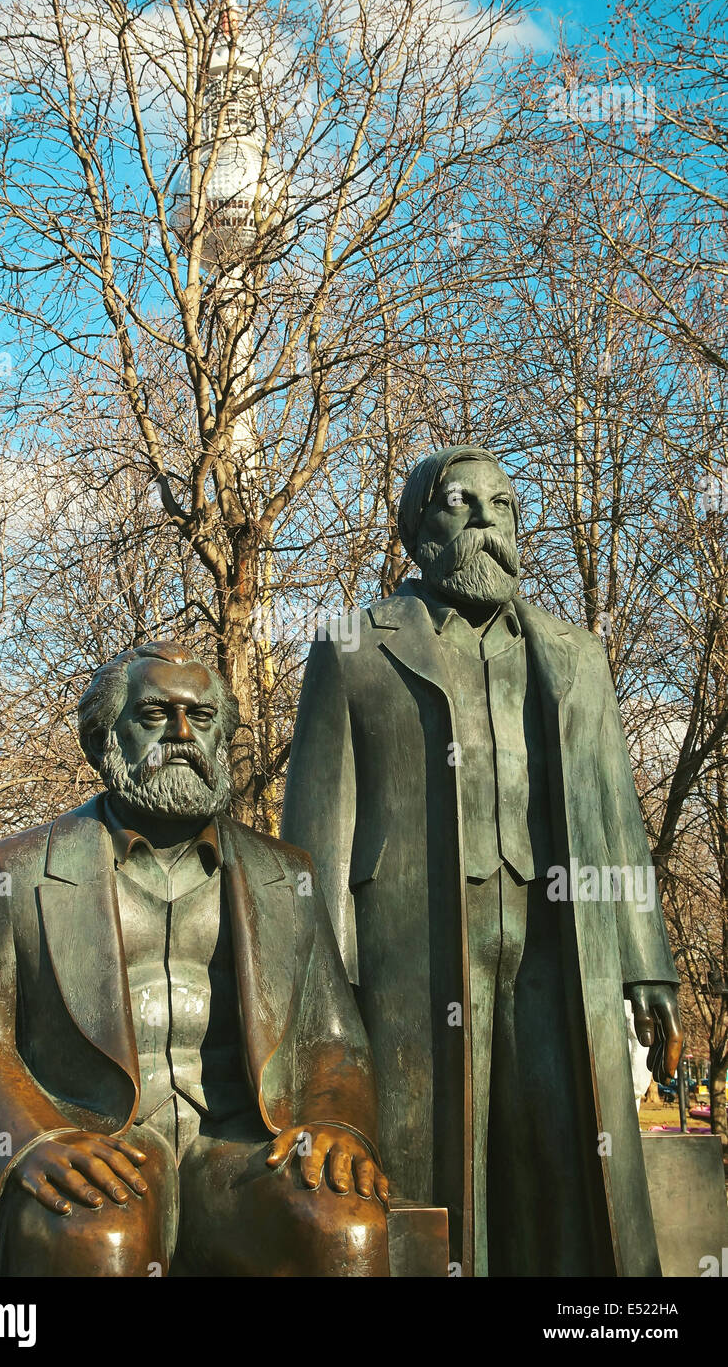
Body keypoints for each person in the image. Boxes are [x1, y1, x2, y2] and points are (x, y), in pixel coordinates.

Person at [282, 445, 682, 1276]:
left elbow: (613, 812)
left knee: (561, 1139)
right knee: (430, 1148)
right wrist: (323, 987)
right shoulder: (353, 646)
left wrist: (648, 967)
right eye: (460, 505)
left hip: (560, 937)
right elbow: (317, 827)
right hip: (412, 941)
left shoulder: (575, 656)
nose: (485, 523)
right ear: (416, 530)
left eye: (501, 508)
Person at [0, 640, 389, 1276]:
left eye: (201, 718)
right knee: (99, 1234)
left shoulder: (287, 876)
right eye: (153, 715)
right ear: (103, 741)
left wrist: (339, 1124)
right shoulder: (23, 869)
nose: (181, 733)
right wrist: (36, 1140)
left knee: (346, 1225)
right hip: (99, 1146)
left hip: (241, 1155)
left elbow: (334, 1042)